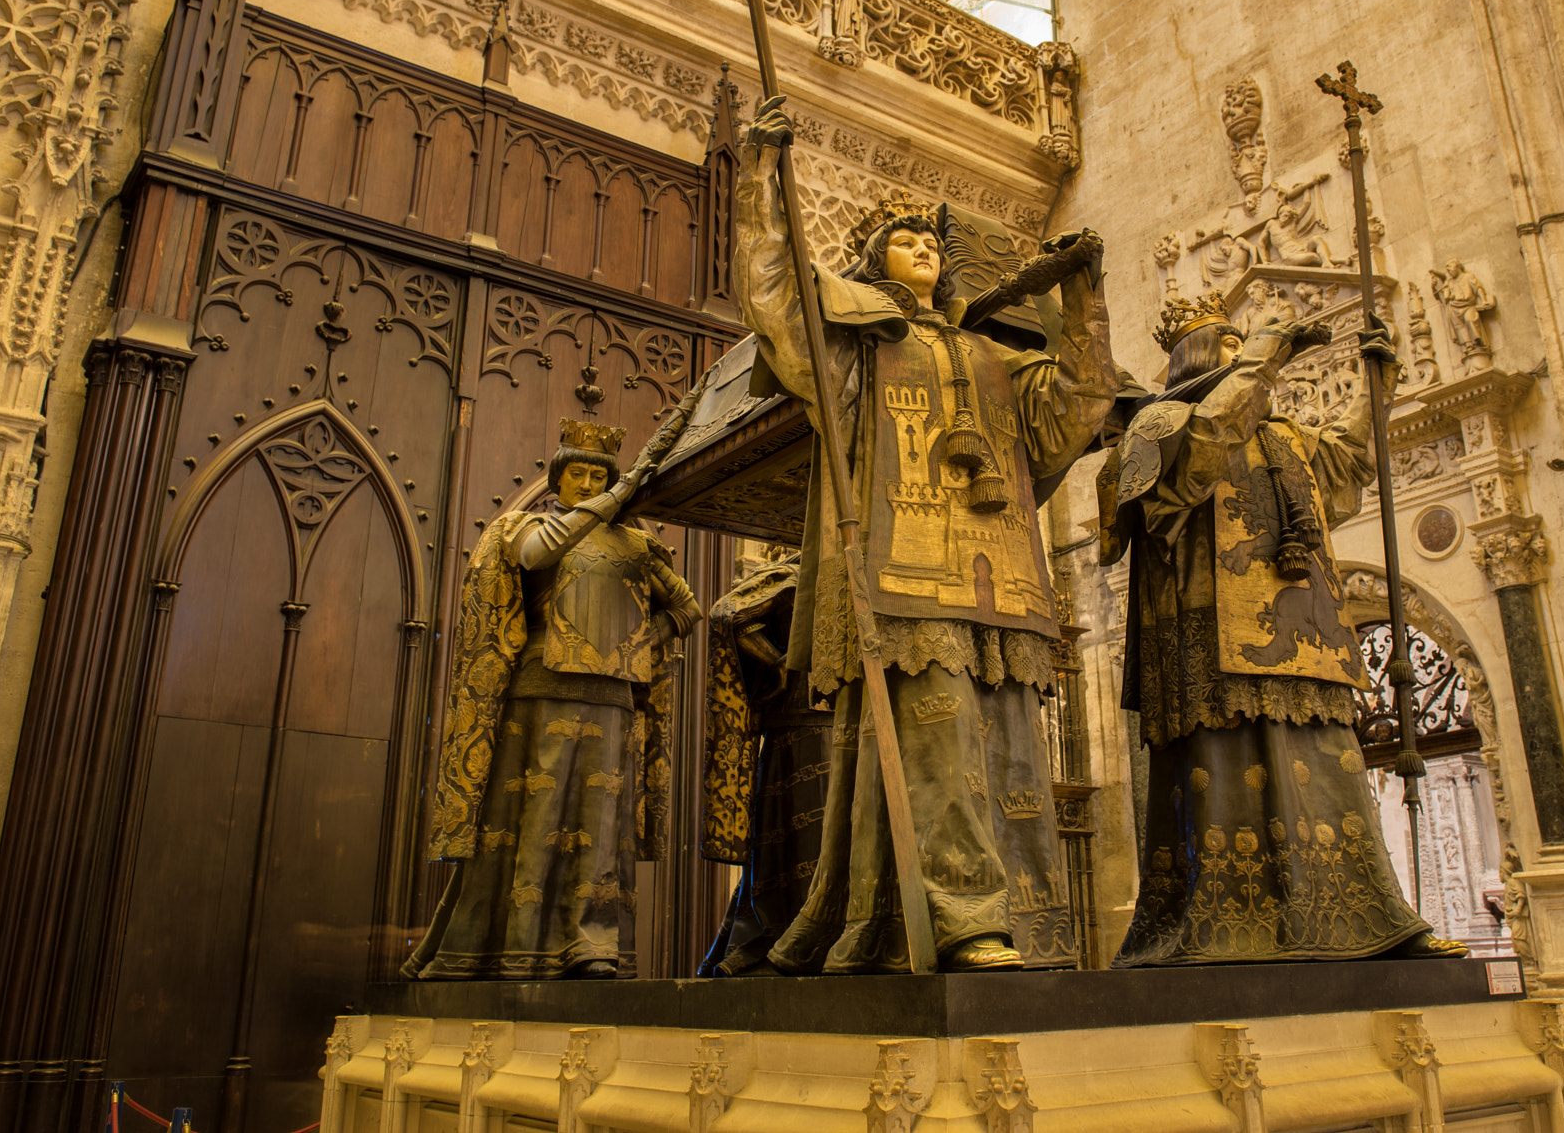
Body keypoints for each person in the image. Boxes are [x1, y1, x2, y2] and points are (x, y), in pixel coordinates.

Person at [734, 96, 1119, 973]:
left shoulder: (1000, 359)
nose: (925, 248)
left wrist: (1084, 298)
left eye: (932, 241)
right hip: (905, 573)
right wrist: (762, 175)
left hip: (1004, 578)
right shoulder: (860, 343)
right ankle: (958, 918)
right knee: (942, 747)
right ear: (874, 263)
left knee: (1013, 750)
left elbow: (1079, 411)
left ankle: (1028, 924)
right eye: (905, 241)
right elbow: (779, 303)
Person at [1100, 290, 1462, 965]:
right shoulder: (1159, 426)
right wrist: (1265, 358)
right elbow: (1206, 449)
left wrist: (1374, 388)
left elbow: (1349, 464)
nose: (1250, 358)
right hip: (1211, 650)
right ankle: (1228, 927)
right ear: (1200, 360)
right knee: (1231, 779)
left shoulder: (1283, 435)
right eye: (1234, 348)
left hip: (1309, 642)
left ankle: (1365, 920)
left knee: (1332, 779)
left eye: (1249, 347)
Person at [409, 418, 701, 979]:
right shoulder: (525, 525)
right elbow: (539, 557)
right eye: (578, 475)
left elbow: (686, 609)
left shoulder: (638, 543)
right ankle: (510, 945)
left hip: (612, 693)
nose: (588, 484)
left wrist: (642, 638)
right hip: (541, 689)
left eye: (599, 476)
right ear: (556, 480)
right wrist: (615, 497)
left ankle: (592, 945)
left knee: (602, 819)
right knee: (530, 812)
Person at [696, 549, 831, 977]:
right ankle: (783, 931)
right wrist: (779, 662)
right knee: (792, 833)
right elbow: (729, 615)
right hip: (794, 720)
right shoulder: (789, 571)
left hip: (845, 721)